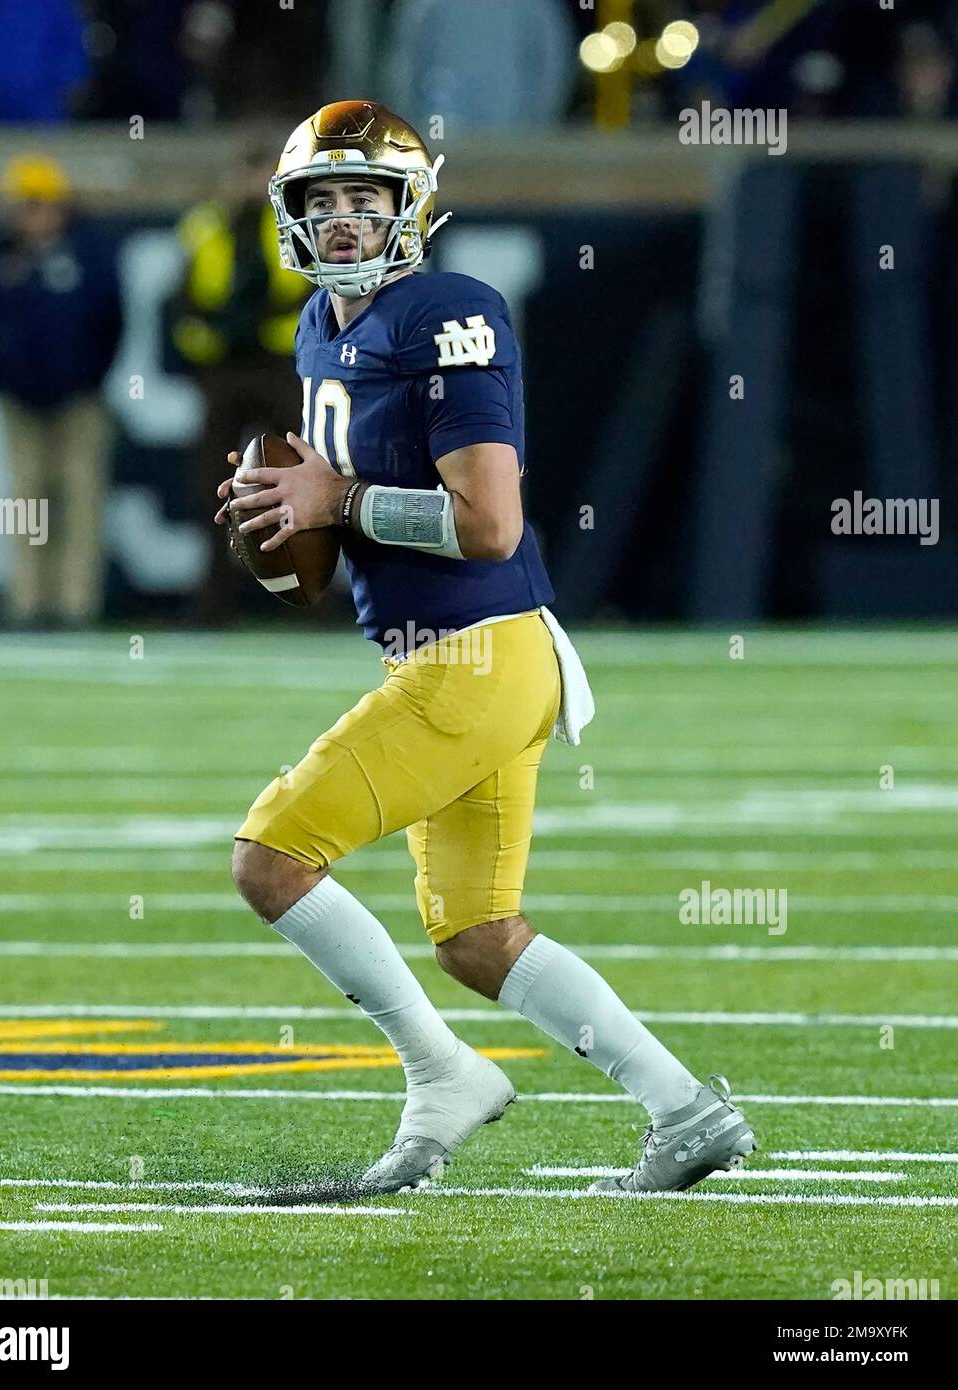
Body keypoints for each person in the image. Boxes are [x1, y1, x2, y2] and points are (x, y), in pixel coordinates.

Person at [218, 101, 756, 1195]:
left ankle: (440, 1071)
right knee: (473, 935)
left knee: (270, 858)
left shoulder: (448, 311)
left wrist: (338, 498)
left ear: (409, 209)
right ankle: (685, 1109)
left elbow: (489, 524)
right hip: (451, 654)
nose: (341, 220)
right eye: (322, 200)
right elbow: (344, 499)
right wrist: (291, 511)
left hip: (477, 652)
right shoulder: (318, 325)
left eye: (364, 198)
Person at [0, 154, 122, 628]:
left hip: (80, 398)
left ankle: (77, 606)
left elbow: (111, 321)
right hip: (18, 401)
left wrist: (90, 377)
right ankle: (26, 603)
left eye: (41, 203)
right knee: (26, 503)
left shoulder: (87, 252)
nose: (33, 214)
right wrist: (3, 380)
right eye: (25, 204)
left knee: (80, 497)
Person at [172, 149, 307, 623]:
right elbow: (182, 300)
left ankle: (307, 591)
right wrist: (207, 342)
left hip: (277, 364)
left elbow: (308, 294)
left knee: (298, 477)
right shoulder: (204, 227)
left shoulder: (293, 226)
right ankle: (216, 596)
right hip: (225, 367)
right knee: (216, 481)